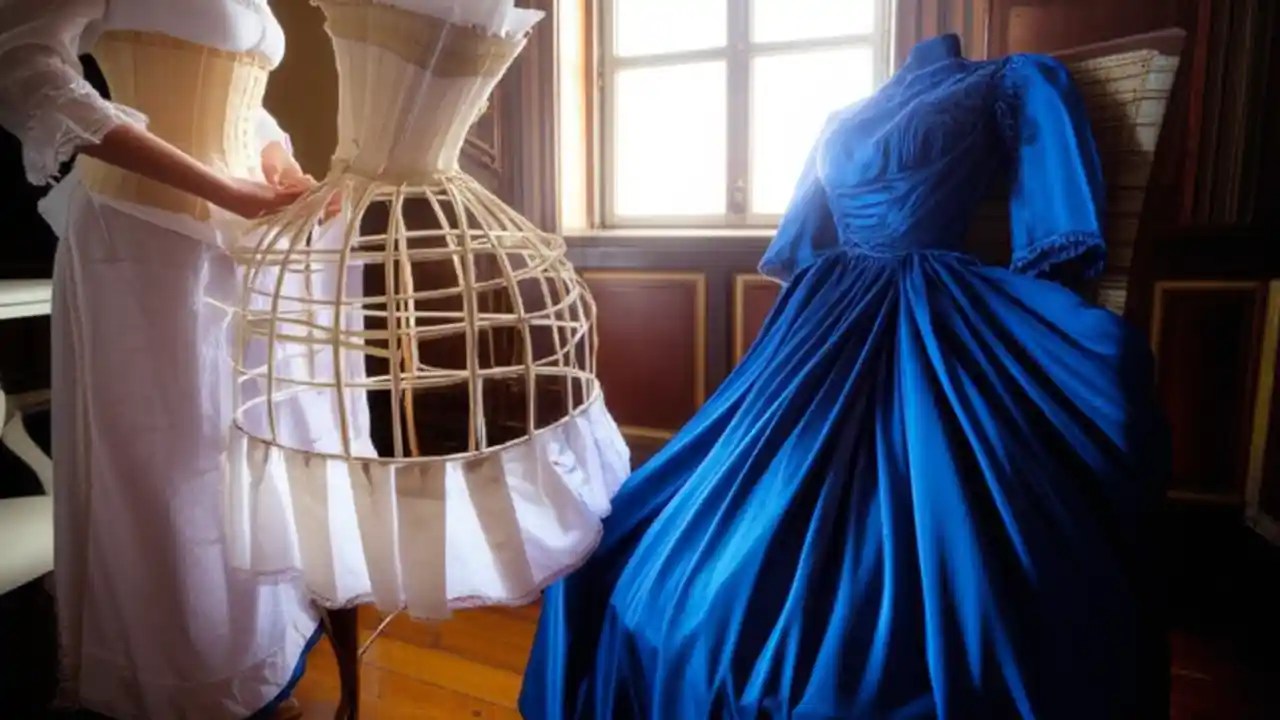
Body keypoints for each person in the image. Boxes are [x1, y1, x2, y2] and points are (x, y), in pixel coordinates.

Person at [520, 33, 1169, 719]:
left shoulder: (1010, 80)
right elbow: (807, 236)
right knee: (676, 516)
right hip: (824, 310)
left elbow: (1053, 227)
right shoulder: (845, 113)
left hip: (929, 301)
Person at [0, 0, 324, 716]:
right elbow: (23, 66)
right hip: (143, 236)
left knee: (237, 456)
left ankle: (244, 665)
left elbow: (248, 104)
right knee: (166, 470)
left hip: (234, 243)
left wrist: (276, 163)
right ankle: (175, 681)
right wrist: (221, 187)